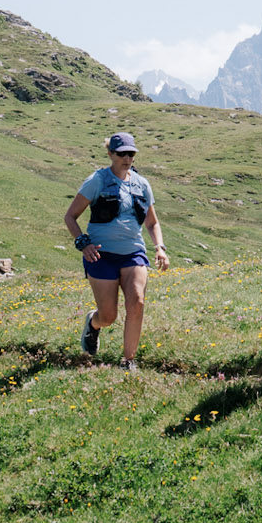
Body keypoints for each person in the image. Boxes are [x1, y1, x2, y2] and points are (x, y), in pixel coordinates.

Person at [64, 132, 169, 368]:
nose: (127, 158)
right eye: (121, 153)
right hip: (101, 254)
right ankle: (93, 323)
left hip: (133, 252)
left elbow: (152, 222)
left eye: (131, 153)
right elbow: (70, 216)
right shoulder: (96, 181)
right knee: (108, 316)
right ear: (110, 153)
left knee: (137, 301)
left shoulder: (142, 184)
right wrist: (83, 243)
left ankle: (128, 360)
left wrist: (159, 247)